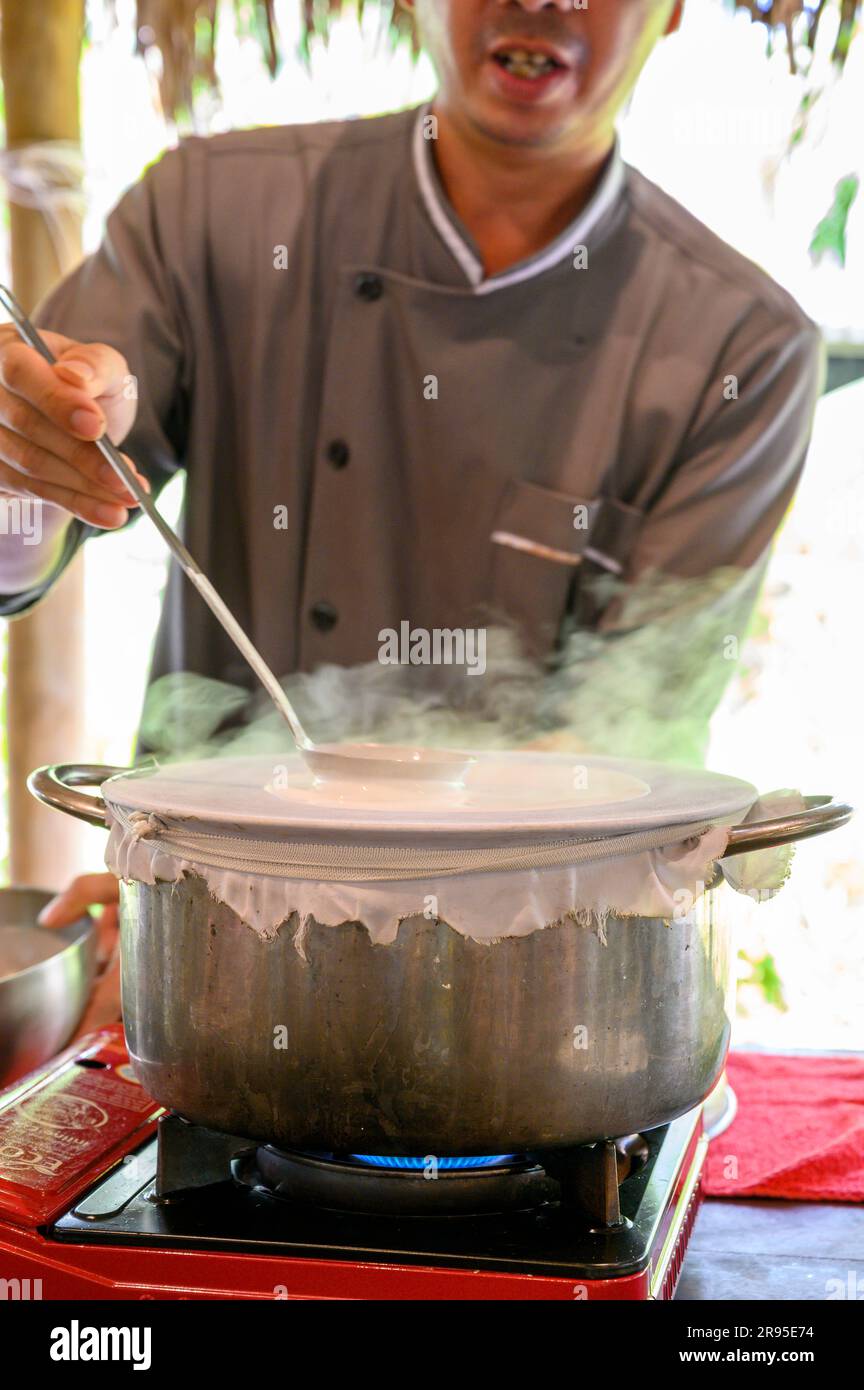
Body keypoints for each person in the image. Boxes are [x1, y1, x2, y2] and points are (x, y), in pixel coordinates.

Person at [0, 0, 822, 1014]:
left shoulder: (741, 347)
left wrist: (310, 897)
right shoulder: (214, 210)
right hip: (216, 970)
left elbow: (629, 749)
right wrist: (31, 456)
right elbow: (28, 528)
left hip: (527, 992)